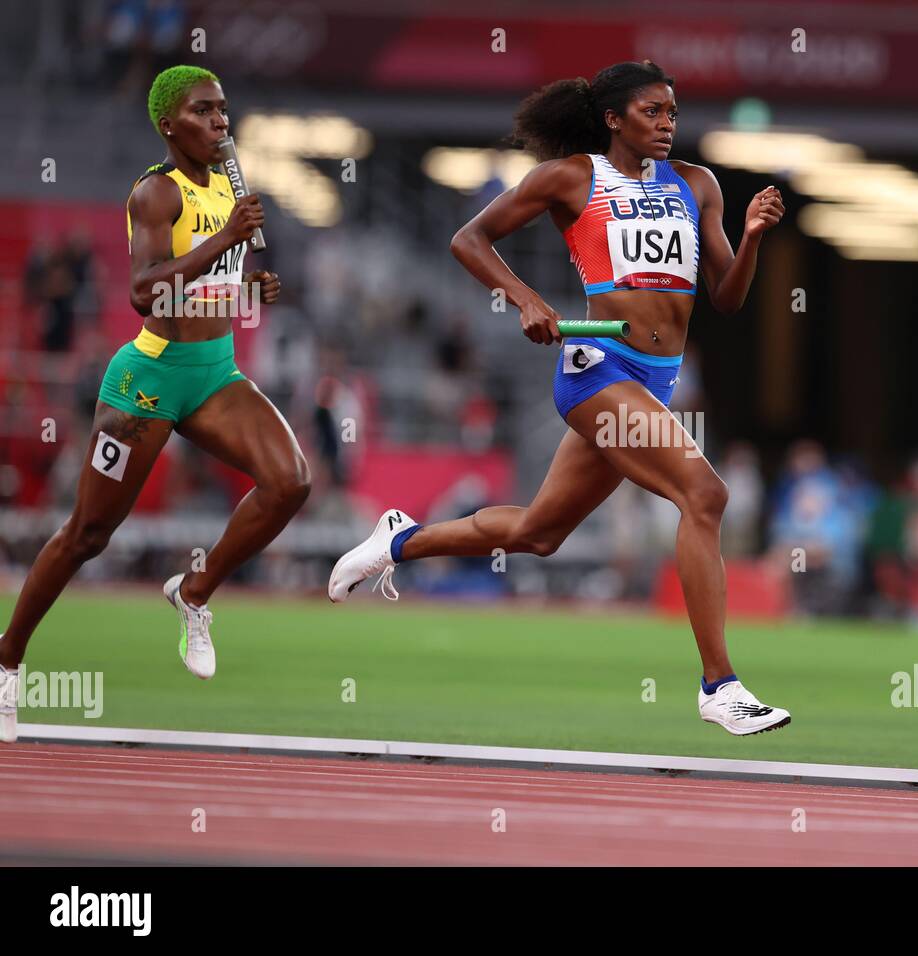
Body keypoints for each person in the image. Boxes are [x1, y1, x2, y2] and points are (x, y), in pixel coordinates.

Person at [329, 61, 790, 735]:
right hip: (600, 372)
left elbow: (727, 296)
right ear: (613, 119)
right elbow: (470, 239)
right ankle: (719, 686)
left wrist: (749, 239)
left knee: (539, 533)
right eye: (652, 113)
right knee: (705, 495)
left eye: (673, 115)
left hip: (655, 381)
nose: (667, 125)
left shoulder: (698, 185)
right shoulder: (573, 178)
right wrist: (526, 299)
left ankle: (399, 542)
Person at [0, 65, 310, 743]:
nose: (221, 122)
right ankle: (7, 658)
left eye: (225, 111)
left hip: (215, 372)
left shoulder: (230, 184)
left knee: (291, 481)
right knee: (88, 533)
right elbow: (146, 293)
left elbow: (208, 294)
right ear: (169, 124)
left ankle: (193, 593)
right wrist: (227, 239)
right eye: (204, 111)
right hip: (149, 377)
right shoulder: (155, 192)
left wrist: (248, 289)